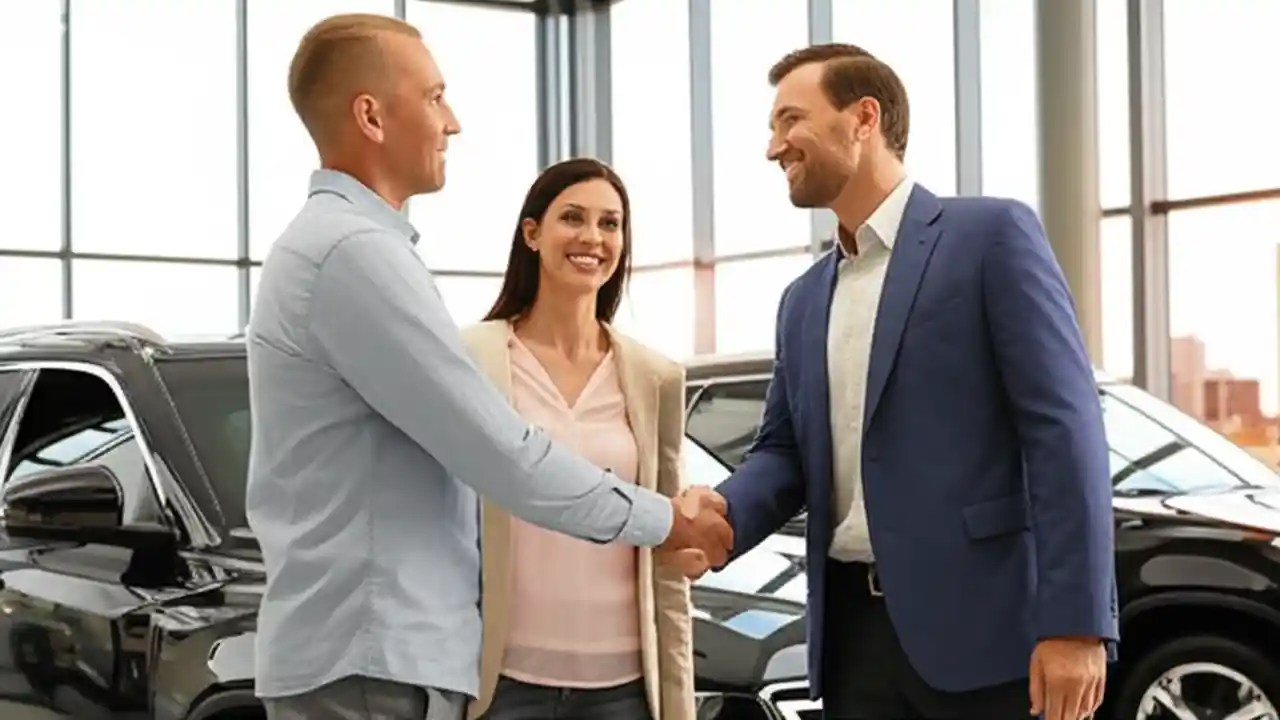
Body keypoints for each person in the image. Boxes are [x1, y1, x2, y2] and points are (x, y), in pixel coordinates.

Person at [244, 14, 730, 720]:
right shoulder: (353, 254)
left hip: (385, 660)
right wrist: (668, 521)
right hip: (372, 664)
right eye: (435, 96)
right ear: (372, 116)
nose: (454, 122)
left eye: (611, 223)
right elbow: (501, 454)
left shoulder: (350, 248)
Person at [695, 43, 1118, 720]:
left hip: (987, 640)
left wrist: (1076, 624)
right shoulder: (802, 299)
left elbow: (1064, 431)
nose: (774, 146)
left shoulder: (990, 238)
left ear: (863, 118)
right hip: (853, 646)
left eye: (790, 120)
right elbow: (785, 453)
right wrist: (723, 516)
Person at [459, 158, 696, 720]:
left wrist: (678, 700)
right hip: (501, 683)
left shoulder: (653, 375)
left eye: (610, 224)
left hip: (624, 690)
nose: (593, 238)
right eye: (573, 218)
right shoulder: (474, 359)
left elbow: (667, 555)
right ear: (532, 233)